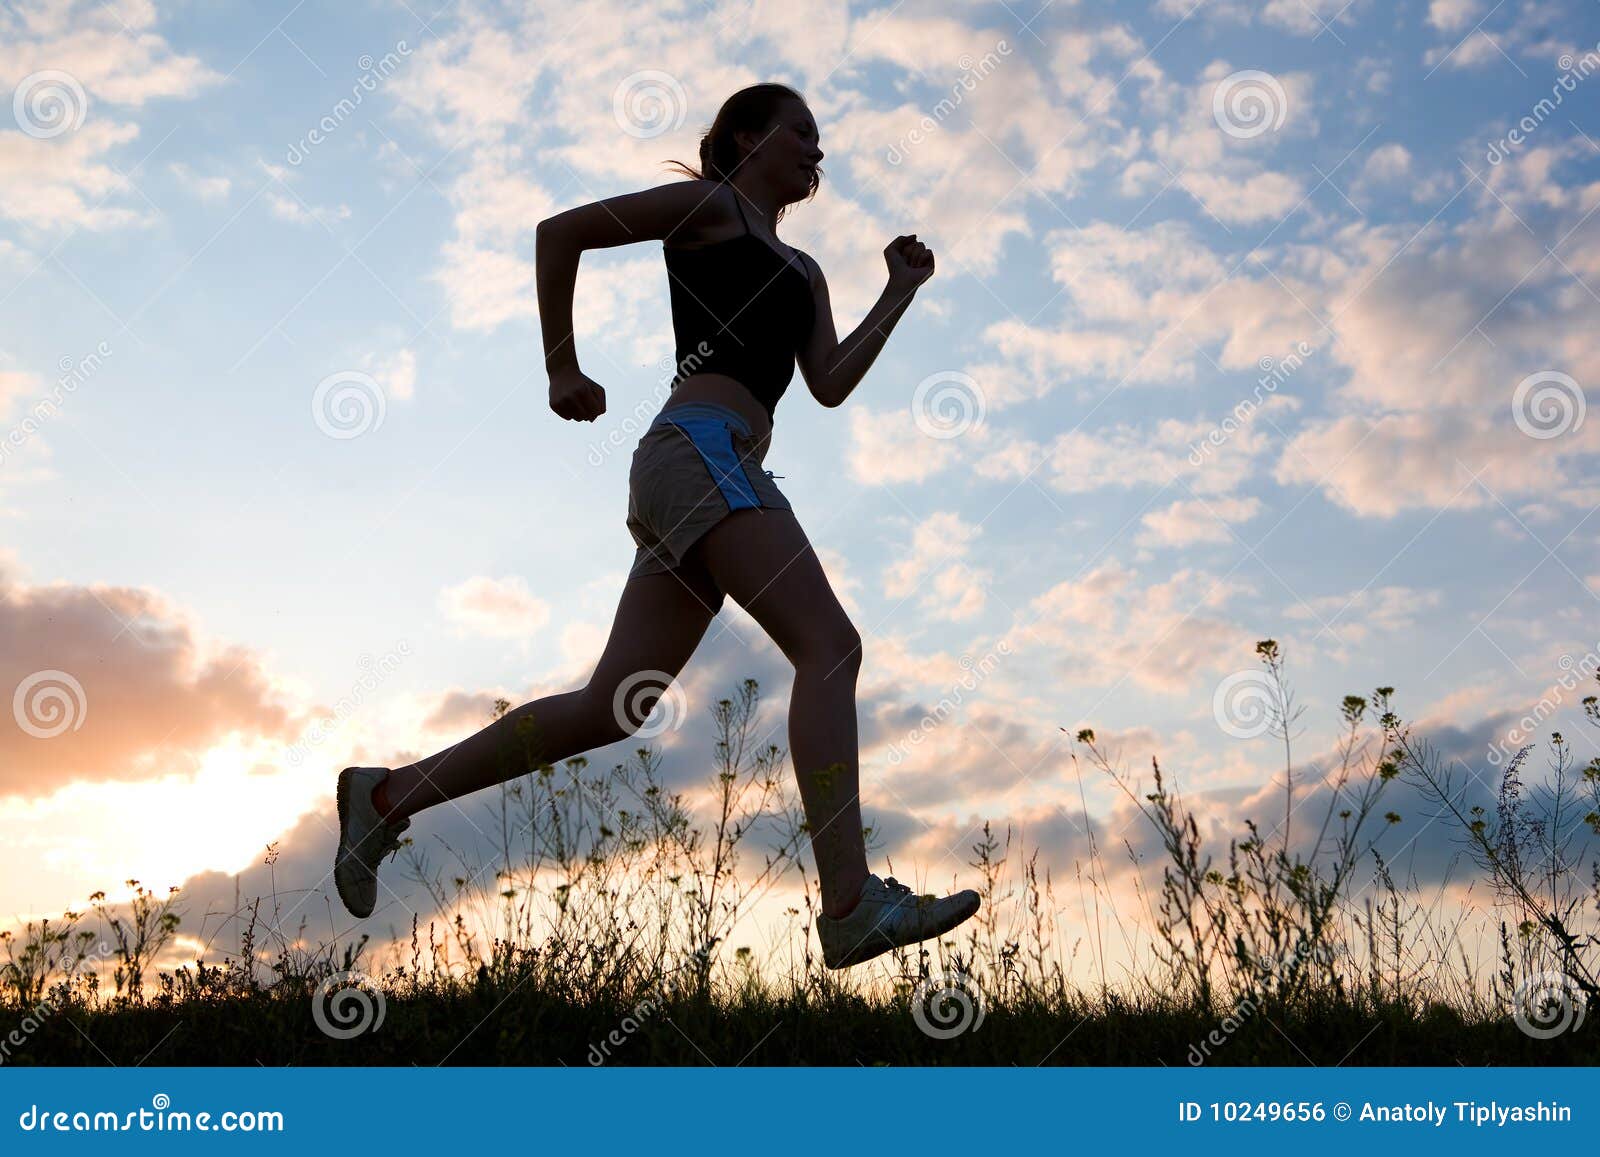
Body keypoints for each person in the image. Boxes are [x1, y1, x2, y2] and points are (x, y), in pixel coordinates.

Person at [334, 82, 979, 969]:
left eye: (821, 140)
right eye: (801, 132)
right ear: (747, 137)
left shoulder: (804, 271)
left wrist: (899, 291)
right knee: (829, 648)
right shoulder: (709, 207)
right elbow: (560, 233)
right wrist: (562, 368)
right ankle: (849, 901)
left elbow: (826, 380)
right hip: (698, 451)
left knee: (612, 705)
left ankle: (385, 797)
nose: (817, 151)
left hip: (710, 468)